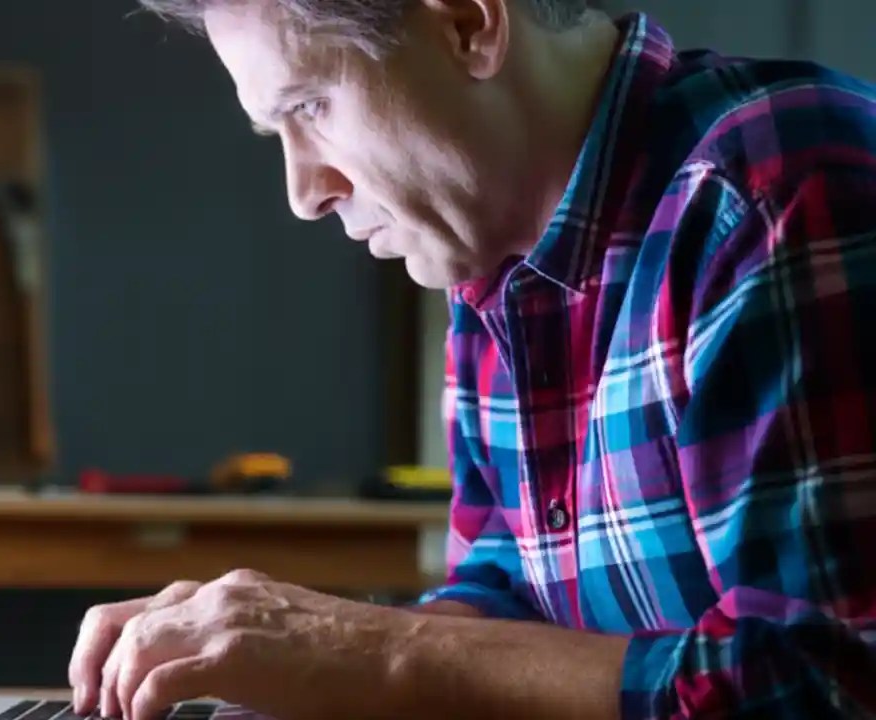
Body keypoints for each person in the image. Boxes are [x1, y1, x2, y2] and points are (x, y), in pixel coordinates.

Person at [68, 0, 876, 718]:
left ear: (466, 24)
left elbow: (831, 683)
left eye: (309, 105)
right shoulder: (487, 257)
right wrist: (300, 670)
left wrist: (373, 654)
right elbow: (504, 598)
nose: (303, 191)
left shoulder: (773, 188)